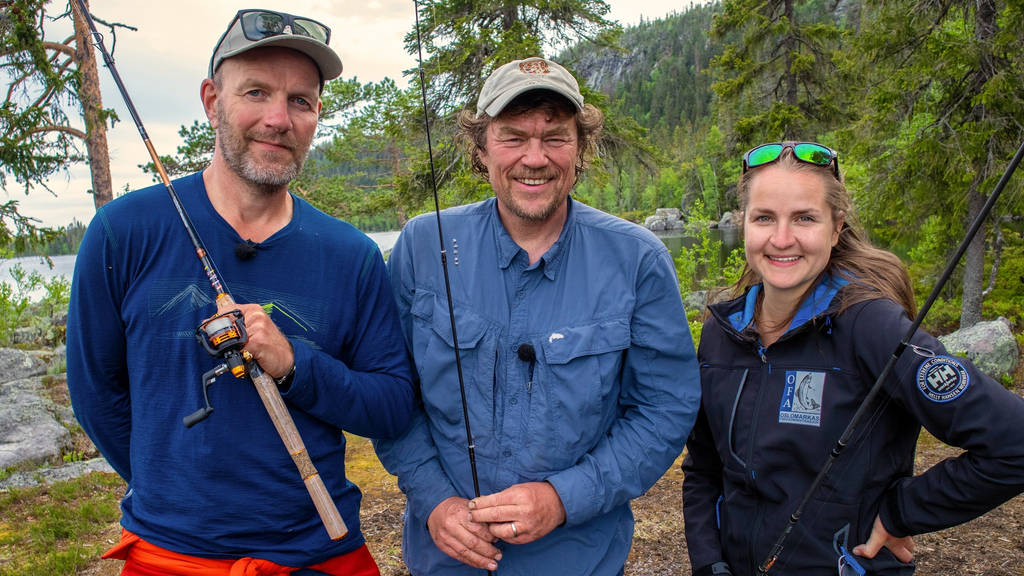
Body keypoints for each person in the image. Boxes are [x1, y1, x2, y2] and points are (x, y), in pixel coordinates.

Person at [66, 9, 414, 575]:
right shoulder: (121, 233)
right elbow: (96, 395)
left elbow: (392, 407)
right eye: (256, 92)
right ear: (211, 100)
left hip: (320, 553)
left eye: (300, 100)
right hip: (168, 557)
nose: (279, 118)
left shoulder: (350, 254)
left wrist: (297, 366)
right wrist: (172, 485)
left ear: (317, 115)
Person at [373, 56, 702, 575]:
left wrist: (563, 498)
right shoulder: (421, 244)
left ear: (581, 148)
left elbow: (663, 410)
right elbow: (390, 392)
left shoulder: (637, 259)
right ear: (481, 148)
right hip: (445, 560)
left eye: (555, 137)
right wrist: (434, 499)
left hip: (581, 560)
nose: (535, 157)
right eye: (513, 137)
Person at [682, 141, 1024, 575]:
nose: (782, 238)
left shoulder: (872, 327)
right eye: (764, 218)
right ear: (744, 224)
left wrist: (902, 511)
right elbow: (703, 466)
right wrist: (709, 563)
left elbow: (1013, 443)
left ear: (836, 227)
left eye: (805, 218)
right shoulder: (721, 332)